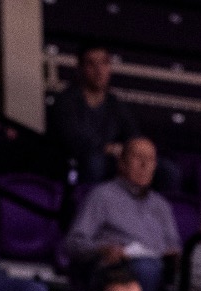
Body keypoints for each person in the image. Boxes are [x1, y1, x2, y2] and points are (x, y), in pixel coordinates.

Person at [64, 137, 180, 291]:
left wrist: (174, 255)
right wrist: (102, 250)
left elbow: (174, 247)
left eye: (150, 160)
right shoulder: (102, 196)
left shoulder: (161, 206)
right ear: (122, 163)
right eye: (138, 157)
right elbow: (73, 243)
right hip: (113, 269)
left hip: (157, 269)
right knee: (146, 269)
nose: (144, 164)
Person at [50, 44, 142, 185]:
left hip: (111, 161)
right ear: (80, 69)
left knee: (166, 170)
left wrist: (130, 150)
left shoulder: (115, 103)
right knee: (94, 162)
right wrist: (108, 148)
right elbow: (73, 139)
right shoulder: (66, 100)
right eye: (91, 64)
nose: (99, 70)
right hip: (77, 163)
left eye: (104, 63)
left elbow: (133, 135)